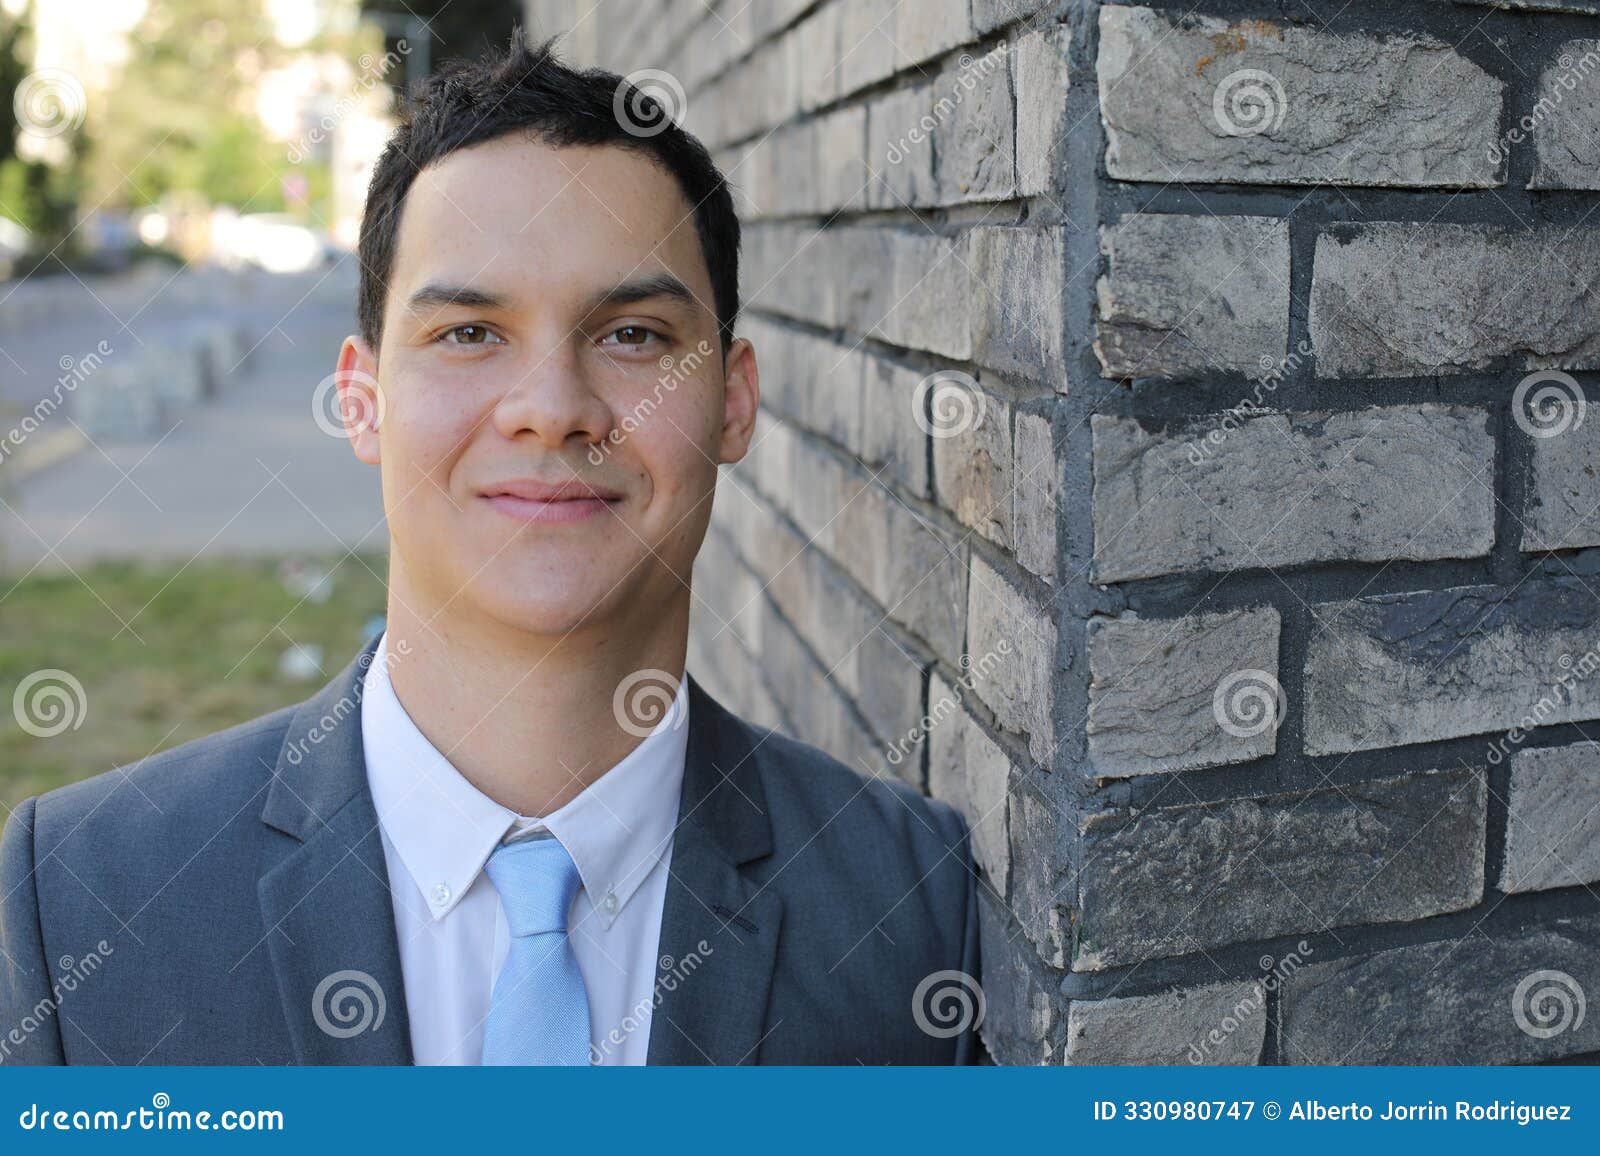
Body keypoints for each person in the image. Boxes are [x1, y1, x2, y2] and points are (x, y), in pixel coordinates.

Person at [0, 31, 979, 1066]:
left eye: (633, 334)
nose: (551, 410)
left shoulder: (909, 901)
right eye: (469, 333)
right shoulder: (80, 901)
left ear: (732, 402)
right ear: (361, 400)